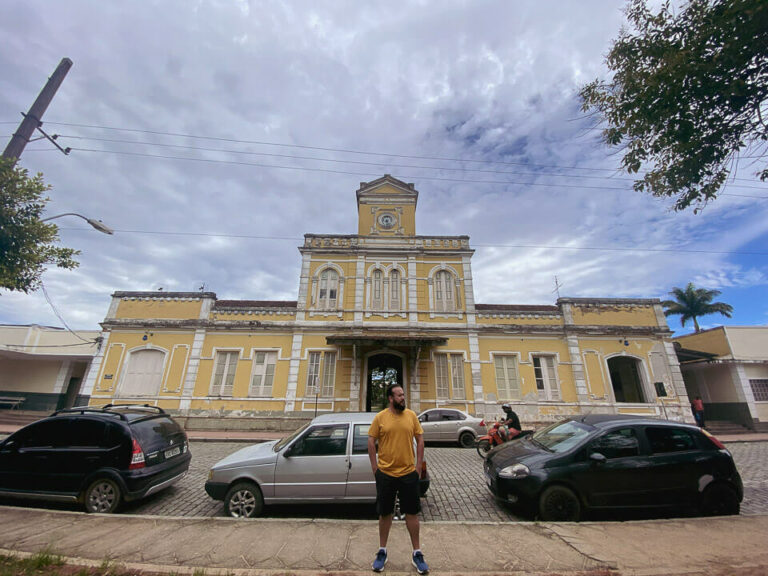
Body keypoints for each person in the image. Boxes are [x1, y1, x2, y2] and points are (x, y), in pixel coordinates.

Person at [368, 384, 429, 574]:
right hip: (386, 474)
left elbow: (420, 439)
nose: (403, 397)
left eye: (403, 394)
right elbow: (371, 440)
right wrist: (375, 468)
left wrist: (418, 466)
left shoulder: (411, 416)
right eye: (399, 395)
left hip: (408, 474)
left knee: (412, 513)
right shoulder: (380, 418)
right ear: (390, 398)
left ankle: (417, 553)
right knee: (385, 514)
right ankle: (382, 550)